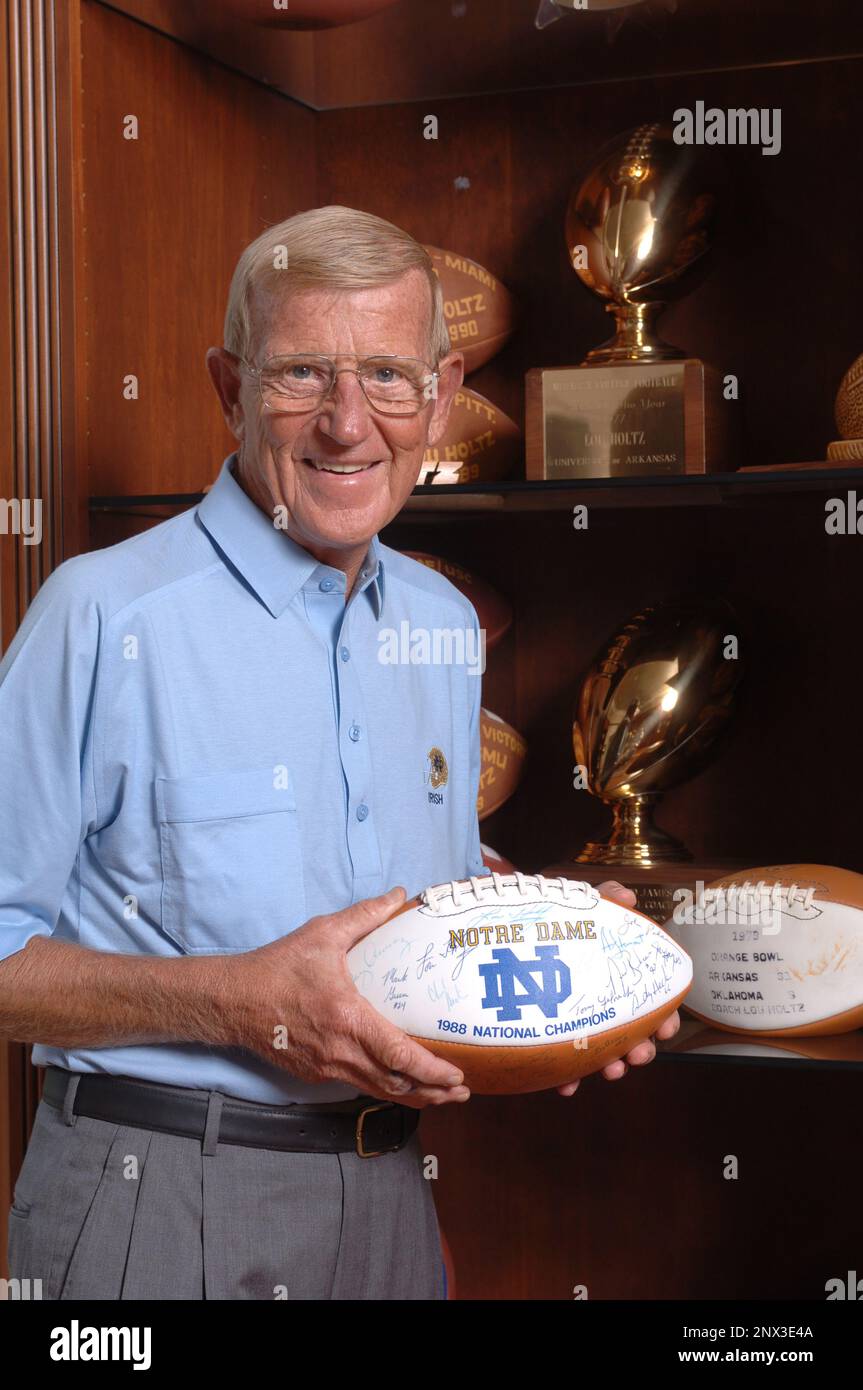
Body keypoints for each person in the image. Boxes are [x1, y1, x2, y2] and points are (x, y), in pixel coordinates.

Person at [0, 205, 678, 1300]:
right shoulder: (101, 615)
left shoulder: (440, 624)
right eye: (302, 374)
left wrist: (564, 962)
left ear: (441, 395)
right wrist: (236, 1002)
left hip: (389, 1198)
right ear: (230, 388)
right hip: (159, 1204)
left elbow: (416, 900)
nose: (348, 424)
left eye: (387, 376)